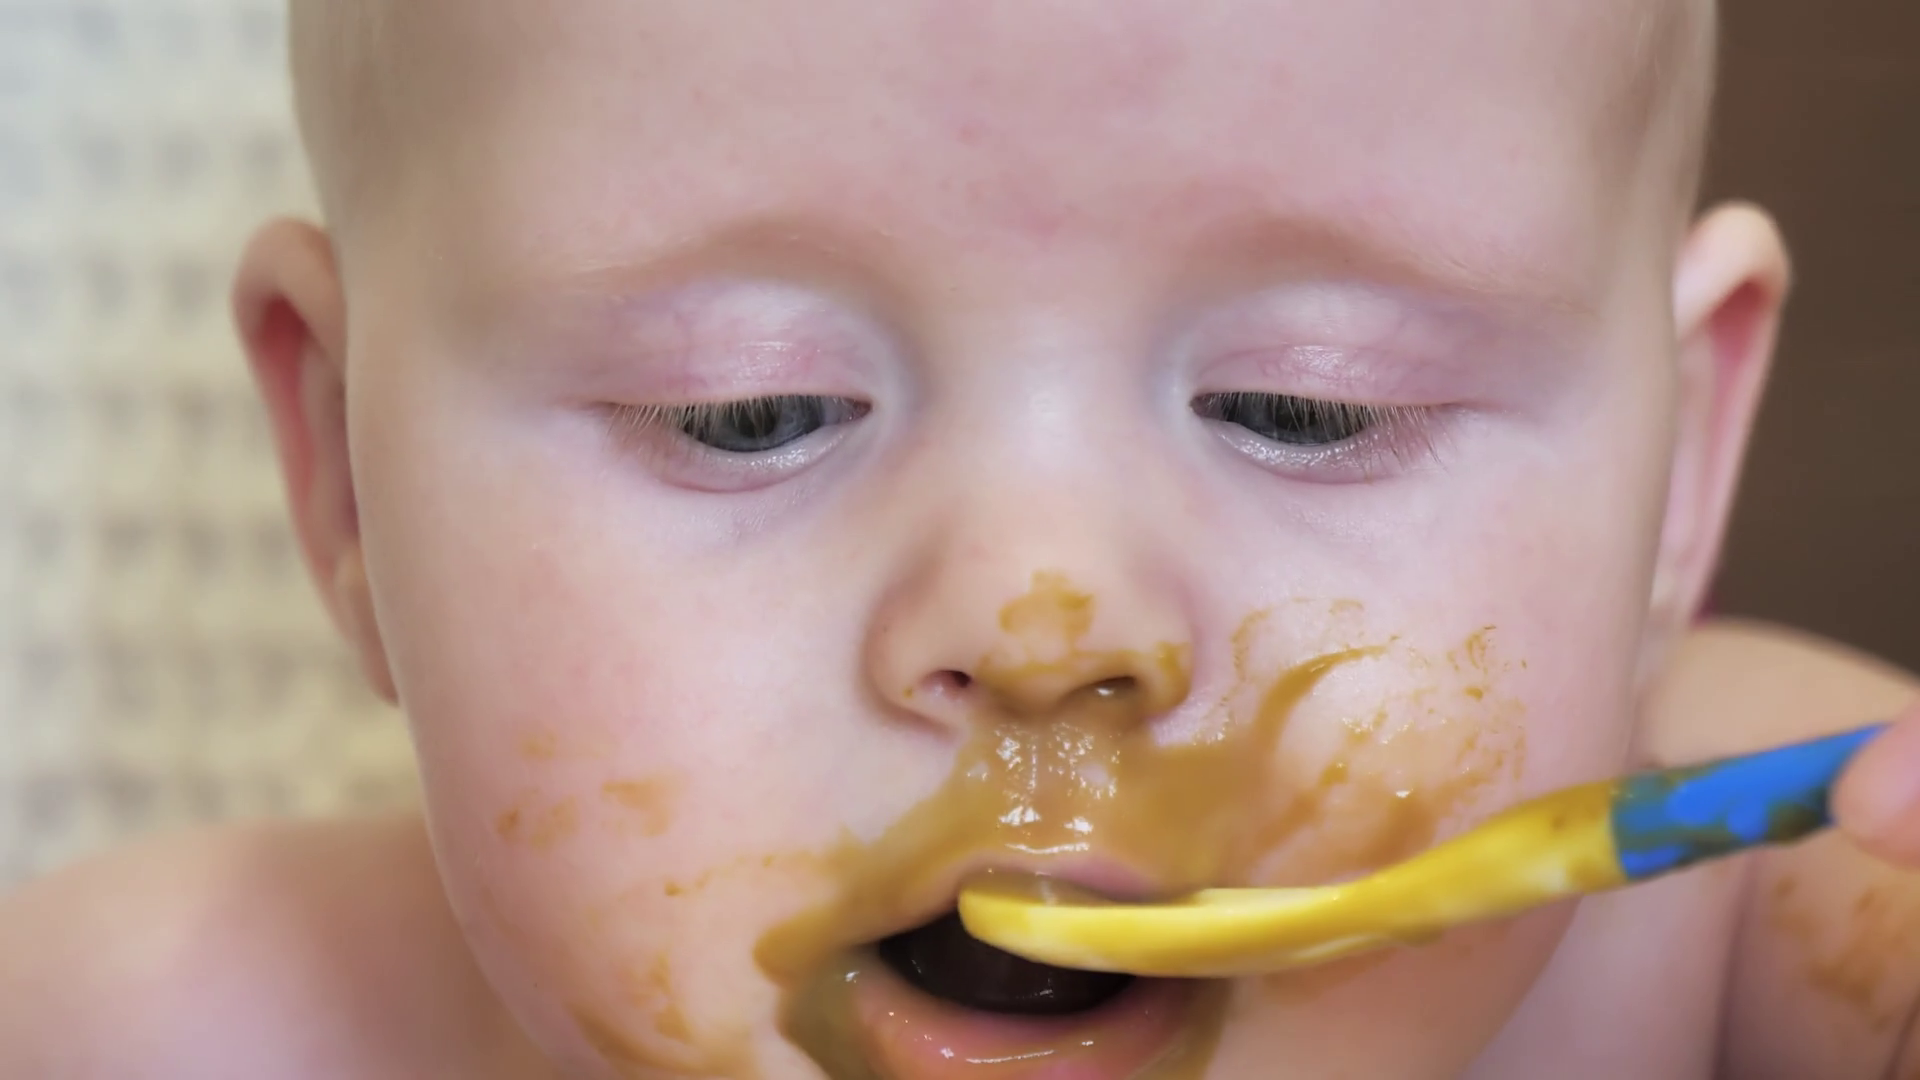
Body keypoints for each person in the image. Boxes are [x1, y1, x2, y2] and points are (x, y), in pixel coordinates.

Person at [4, 1, 1919, 1076]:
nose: (1041, 623)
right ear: (347, 478)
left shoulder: (1738, 904)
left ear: (1676, 471)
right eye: (747, 411)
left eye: (1309, 406)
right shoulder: (178, 1029)